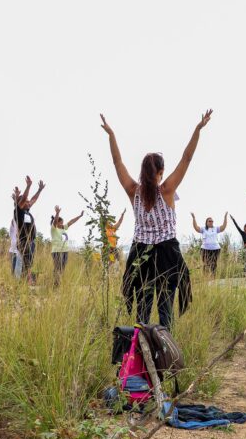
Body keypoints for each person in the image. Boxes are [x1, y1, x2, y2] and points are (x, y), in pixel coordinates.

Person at [100, 110, 211, 329]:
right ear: (160, 171)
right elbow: (187, 158)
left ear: (142, 172)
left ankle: (140, 352)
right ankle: (164, 353)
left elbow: (117, 161)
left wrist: (111, 135)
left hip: (141, 252)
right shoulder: (167, 190)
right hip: (167, 252)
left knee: (142, 307)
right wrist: (198, 129)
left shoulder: (133, 191)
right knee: (165, 308)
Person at [14, 177, 45, 285]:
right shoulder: (18, 212)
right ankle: (28, 281)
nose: (28, 203)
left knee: (29, 262)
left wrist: (39, 190)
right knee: (26, 262)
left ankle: (24, 281)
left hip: (31, 241)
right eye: (25, 202)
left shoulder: (27, 211)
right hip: (23, 241)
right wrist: (28, 186)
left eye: (28, 202)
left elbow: (33, 199)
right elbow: (24, 199)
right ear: (20, 203)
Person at [50, 206, 84, 286]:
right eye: (60, 222)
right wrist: (57, 213)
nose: (62, 224)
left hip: (65, 251)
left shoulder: (63, 228)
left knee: (62, 268)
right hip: (57, 251)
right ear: (57, 223)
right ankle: (55, 283)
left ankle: (58, 282)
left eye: (62, 222)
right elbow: (54, 221)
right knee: (57, 267)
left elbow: (71, 222)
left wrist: (80, 216)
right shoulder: (54, 229)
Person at [192, 212, 228, 276]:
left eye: (212, 221)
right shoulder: (203, 229)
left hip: (216, 249)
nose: (211, 222)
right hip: (205, 249)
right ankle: (205, 277)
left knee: (213, 263)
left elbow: (223, 227)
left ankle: (213, 276)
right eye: (209, 221)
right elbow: (196, 228)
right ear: (206, 222)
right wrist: (194, 218)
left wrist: (225, 217)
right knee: (206, 263)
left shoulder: (215, 228)